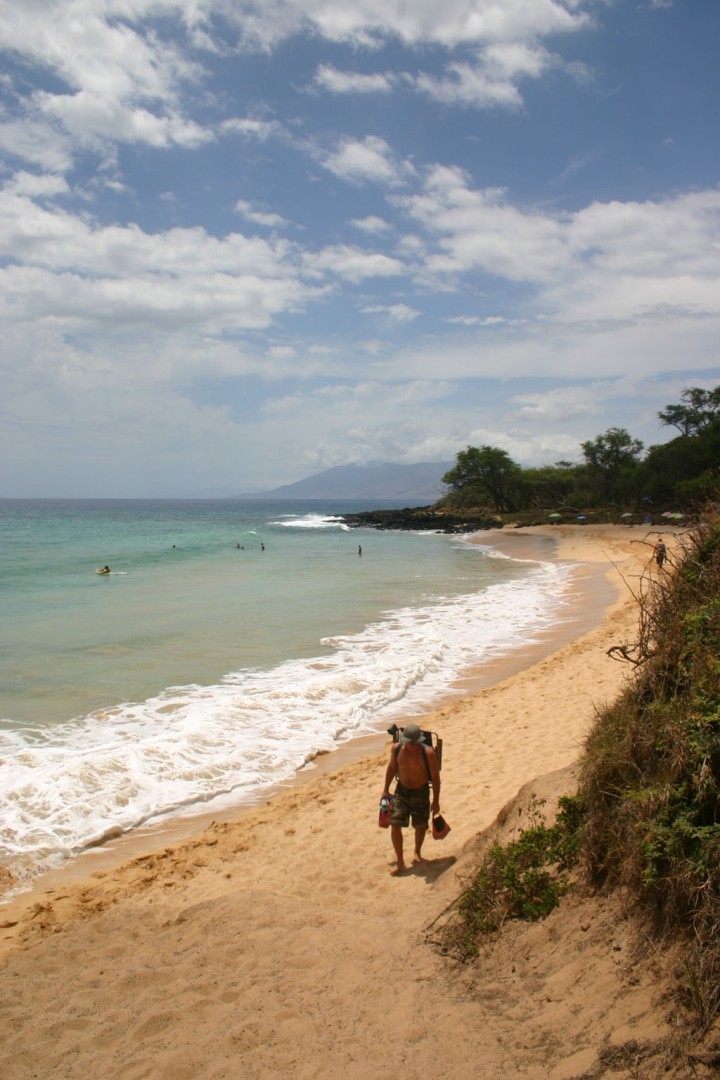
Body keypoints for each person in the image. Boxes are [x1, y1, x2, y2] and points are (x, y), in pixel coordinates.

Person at [381, 722, 440, 875]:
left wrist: (436, 801)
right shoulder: (397, 749)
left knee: (420, 825)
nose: (411, 746)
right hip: (401, 791)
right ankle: (400, 861)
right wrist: (385, 789)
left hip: (420, 791)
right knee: (395, 823)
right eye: (409, 742)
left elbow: (435, 778)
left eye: (414, 743)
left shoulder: (428, 754)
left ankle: (417, 853)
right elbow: (391, 768)